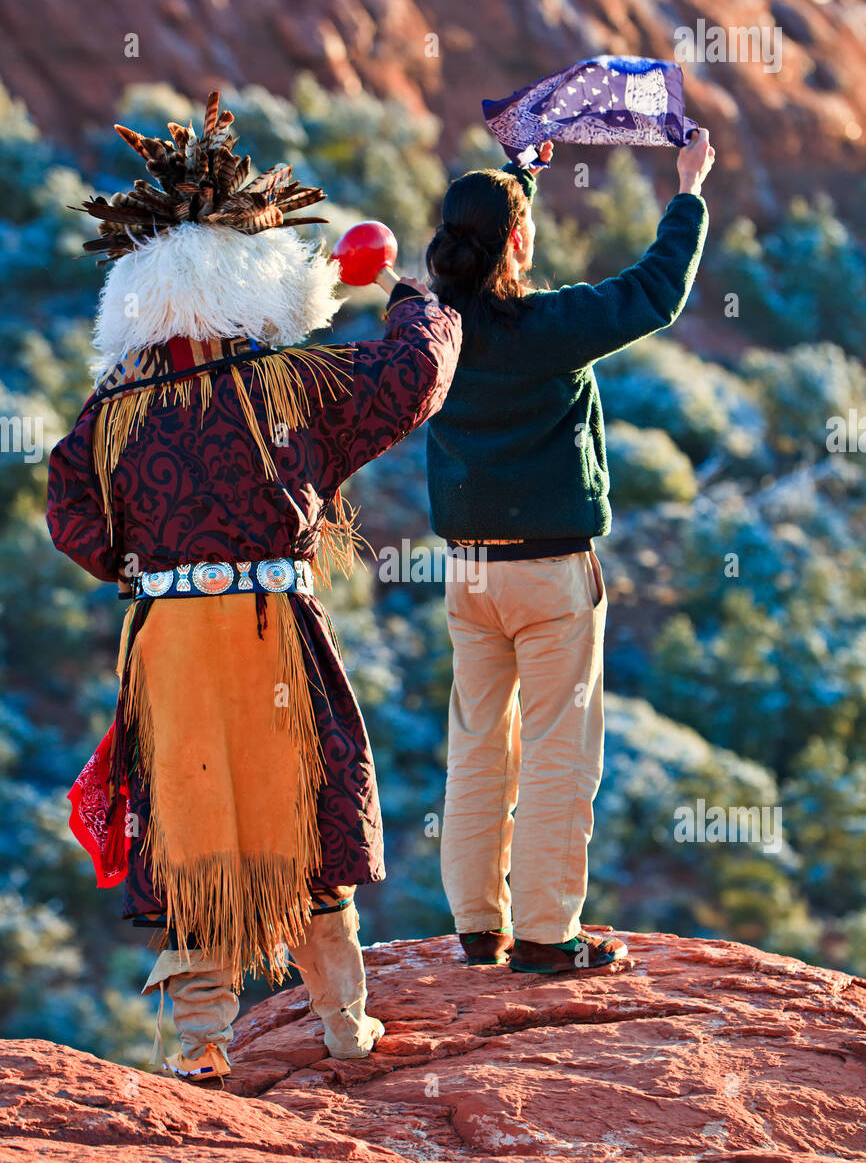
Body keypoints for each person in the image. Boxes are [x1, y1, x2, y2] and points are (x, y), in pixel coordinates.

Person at [47, 92, 461, 1080]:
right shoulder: (289, 384)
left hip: (166, 643)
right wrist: (412, 291)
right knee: (301, 819)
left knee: (192, 832)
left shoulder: (107, 420)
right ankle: (345, 1028)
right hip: (272, 624)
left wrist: (142, 563)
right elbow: (412, 378)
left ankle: (199, 1045)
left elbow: (78, 525)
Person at [425, 128, 714, 974]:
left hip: (470, 573)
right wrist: (689, 190)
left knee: (478, 743)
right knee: (558, 748)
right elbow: (655, 292)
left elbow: (486, 252)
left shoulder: (429, 322)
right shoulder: (550, 327)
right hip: (550, 571)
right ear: (520, 239)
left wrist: (520, 181)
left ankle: (479, 927)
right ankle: (550, 937)